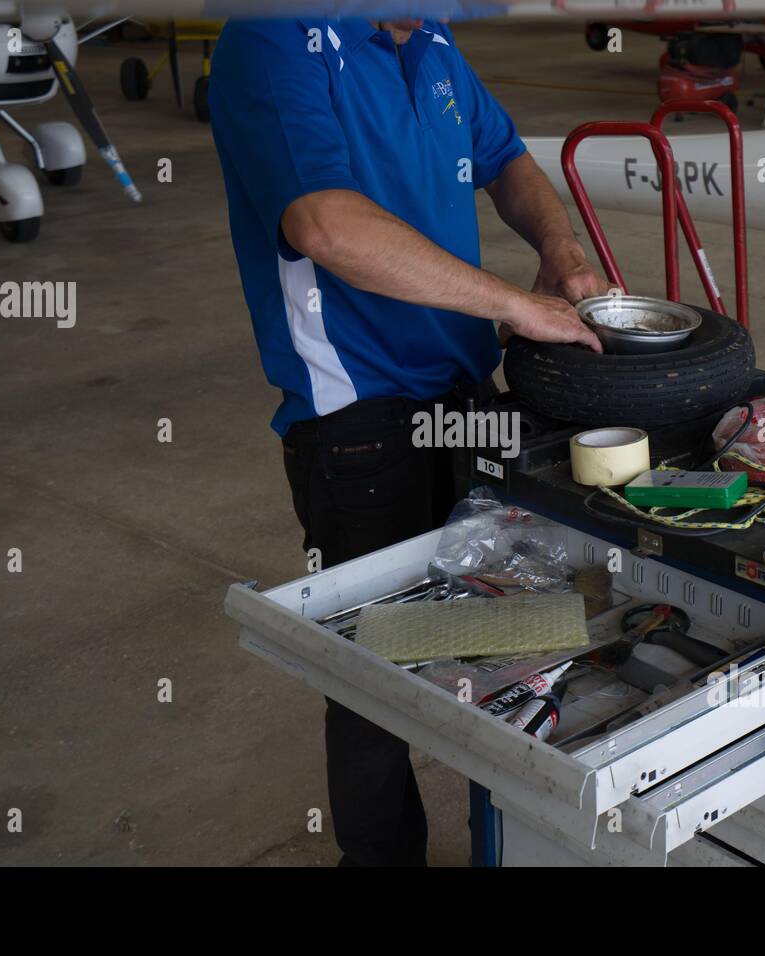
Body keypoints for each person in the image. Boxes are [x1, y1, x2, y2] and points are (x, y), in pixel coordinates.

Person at [209, 16, 608, 866]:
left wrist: (559, 247)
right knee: (377, 681)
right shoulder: (272, 40)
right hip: (358, 425)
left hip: (467, 400)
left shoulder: (430, 41)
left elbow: (506, 160)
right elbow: (324, 225)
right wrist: (514, 304)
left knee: (510, 638)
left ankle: (504, 843)